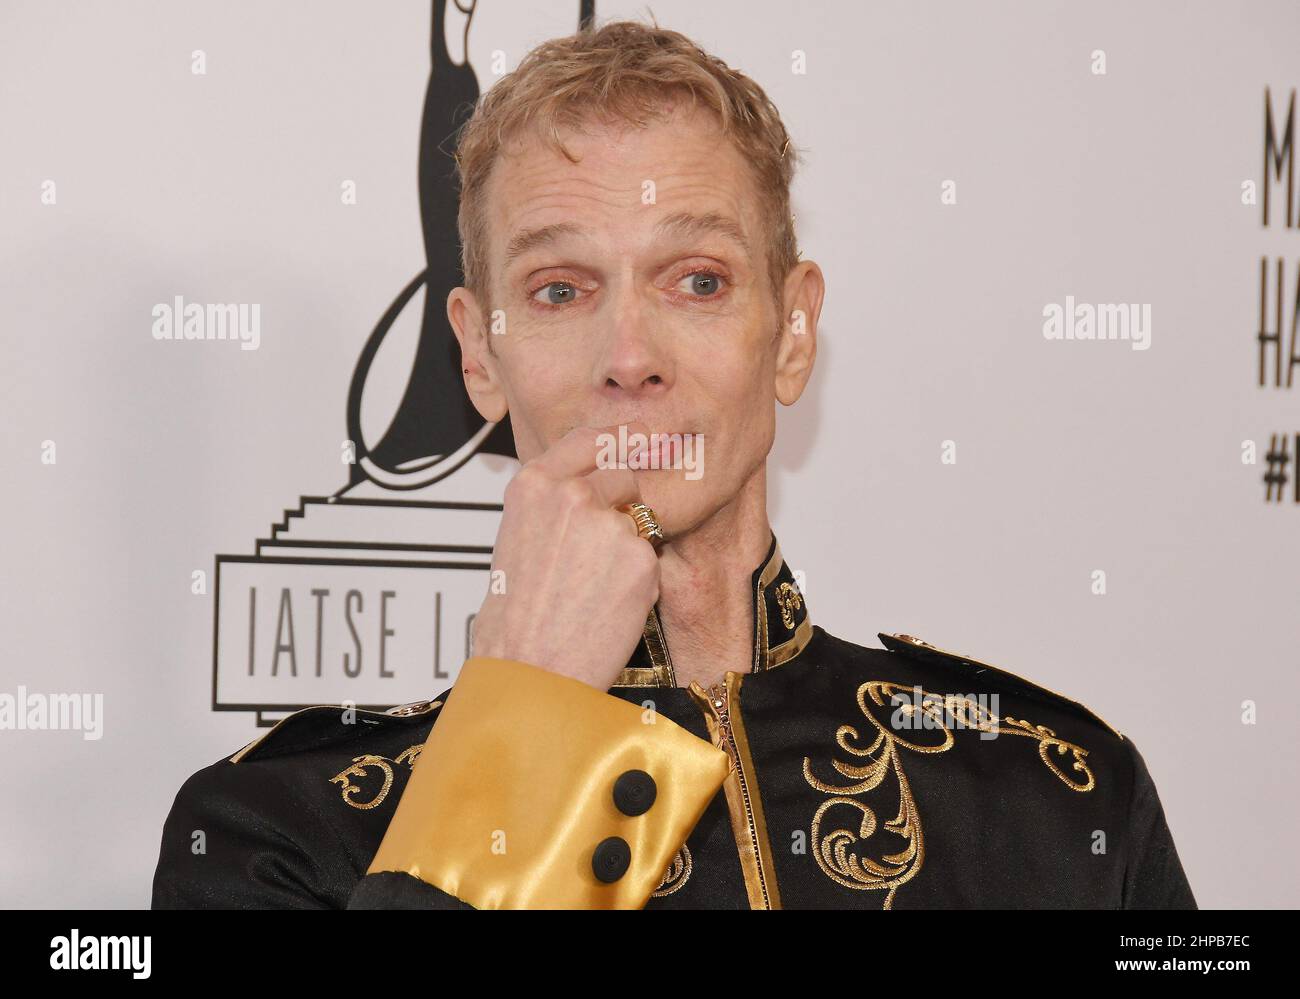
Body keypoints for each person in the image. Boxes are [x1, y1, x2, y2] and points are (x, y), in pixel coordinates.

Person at [151, 19, 1196, 910]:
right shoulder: (274, 829)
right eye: (561, 290)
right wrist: (528, 715)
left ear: (791, 333)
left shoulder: (1051, 788)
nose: (631, 358)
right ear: (477, 351)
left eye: (696, 281)